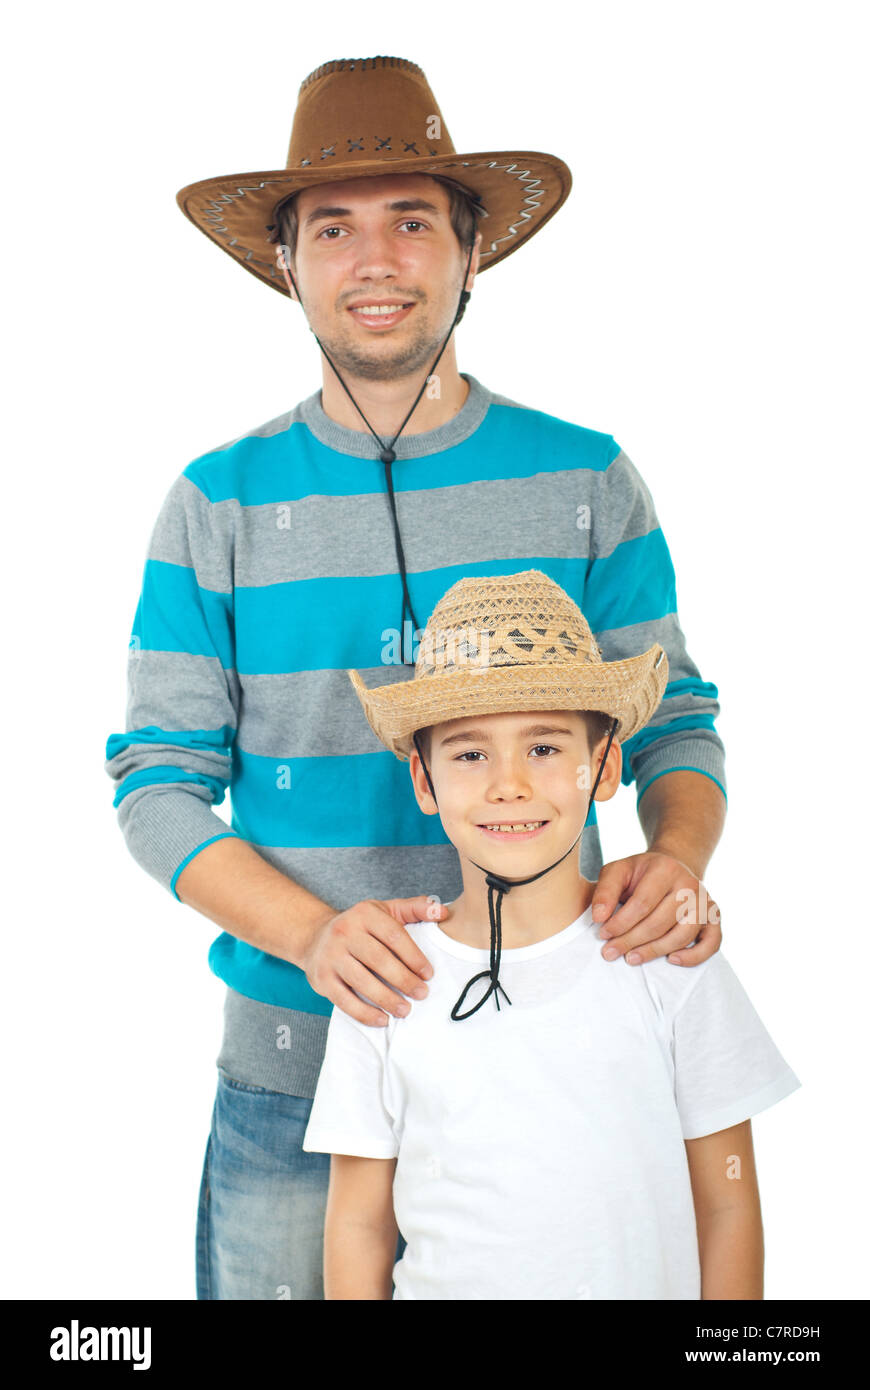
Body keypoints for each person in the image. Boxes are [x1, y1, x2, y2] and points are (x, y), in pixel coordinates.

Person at [104, 55, 728, 1300]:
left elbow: (676, 722)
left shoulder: (586, 478)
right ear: (286, 261)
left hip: (554, 1060)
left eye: (412, 222)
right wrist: (313, 935)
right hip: (292, 1066)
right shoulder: (214, 504)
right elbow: (155, 787)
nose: (374, 260)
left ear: (470, 253)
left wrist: (677, 861)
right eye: (333, 228)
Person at [303, 569, 800, 1300]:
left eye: (544, 748)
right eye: (470, 754)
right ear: (424, 782)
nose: (510, 784)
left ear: (603, 768)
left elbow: (726, 1205)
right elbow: (358, 1229)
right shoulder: (387, 982)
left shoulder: (671, 962)